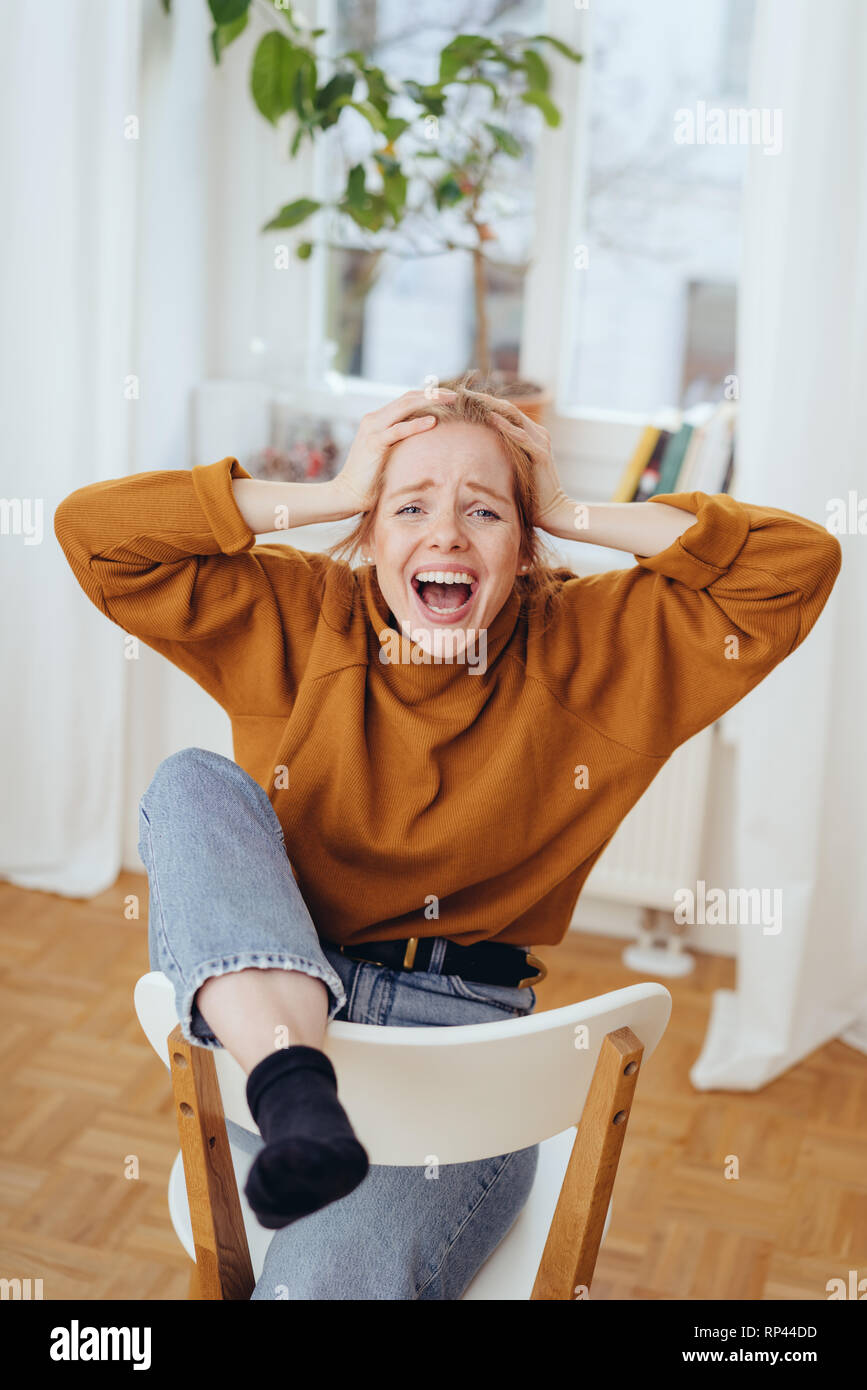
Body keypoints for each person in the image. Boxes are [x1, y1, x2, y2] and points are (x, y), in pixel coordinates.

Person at [53, 377, 842, 1299]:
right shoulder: (303, 615)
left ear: (523, 546)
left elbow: (796, 563)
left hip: (459, 1052)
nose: (447, 536)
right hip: (286, 1009)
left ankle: (297, 1101)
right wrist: (329, 493)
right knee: (190, 783)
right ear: (370, 533)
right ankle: (296, 1090)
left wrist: (571, 510)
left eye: (486, 511)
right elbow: (95, 533)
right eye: (409, 507)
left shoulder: (592, 643)